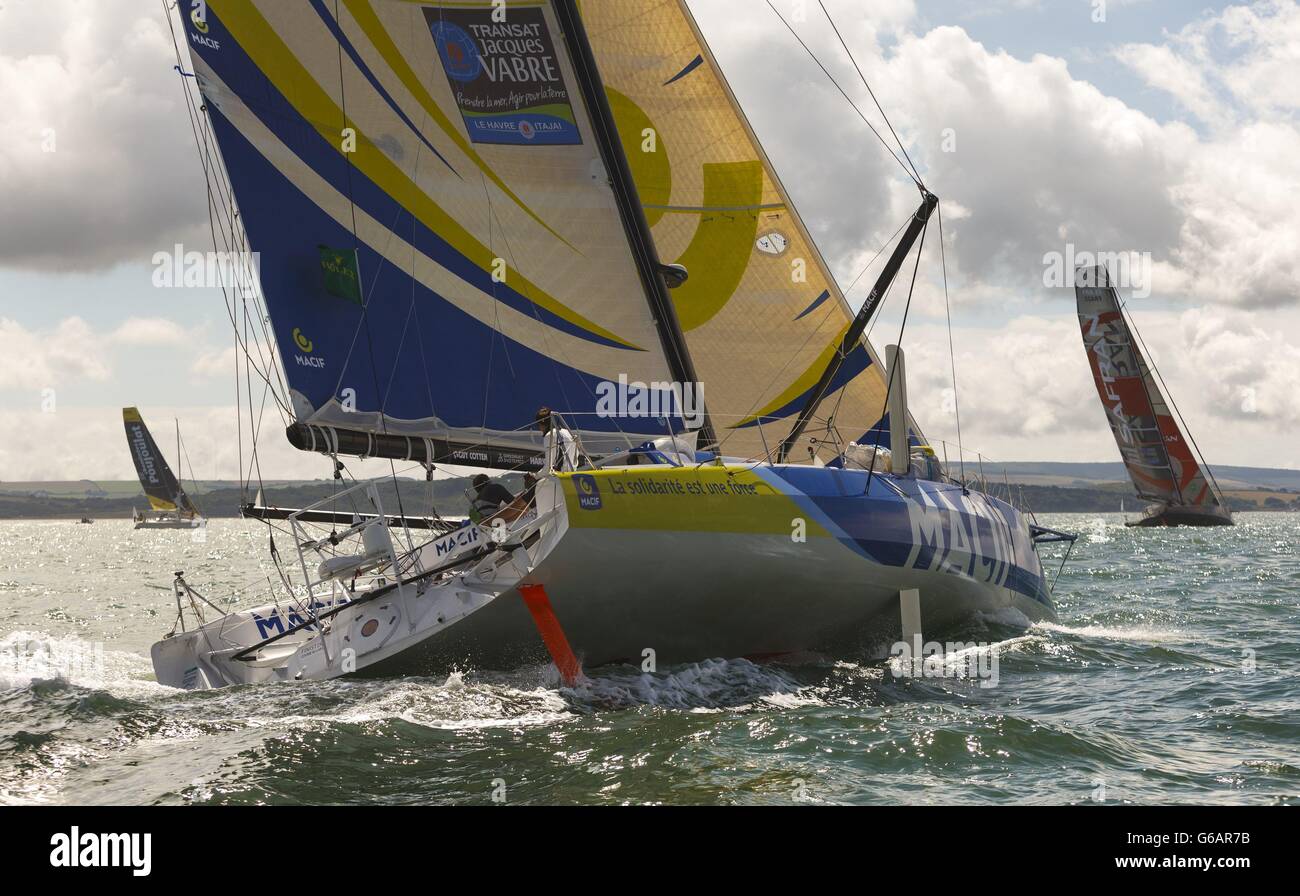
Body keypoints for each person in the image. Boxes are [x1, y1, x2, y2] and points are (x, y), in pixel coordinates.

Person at [537, 406, 578, 472]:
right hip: (573, 475)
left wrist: (535, 476)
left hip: (560, 477)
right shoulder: (568, 432)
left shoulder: (549, 436)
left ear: (541, 424)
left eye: (538, 425)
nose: (539, 428)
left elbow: (548, 467)